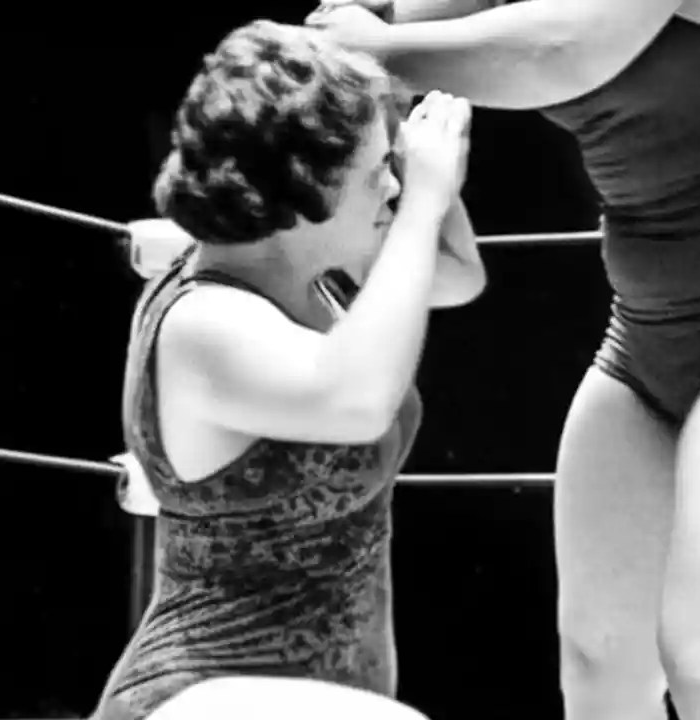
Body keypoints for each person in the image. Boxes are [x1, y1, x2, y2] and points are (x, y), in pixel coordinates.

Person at [306, 1, 700, 719]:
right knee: (598, 668)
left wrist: (378, 49)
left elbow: (561, 50)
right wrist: (356, 44)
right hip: (644, 334)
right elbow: (359, 26)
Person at [91, 19, 480, 720]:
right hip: (199, 696)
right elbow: (357, 399)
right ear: (307, 188)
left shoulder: (314, 273)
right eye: (375, 174)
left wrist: (397, 104)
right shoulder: (203, 323)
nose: (391, 188)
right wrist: (421, 197)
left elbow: (452, 275)